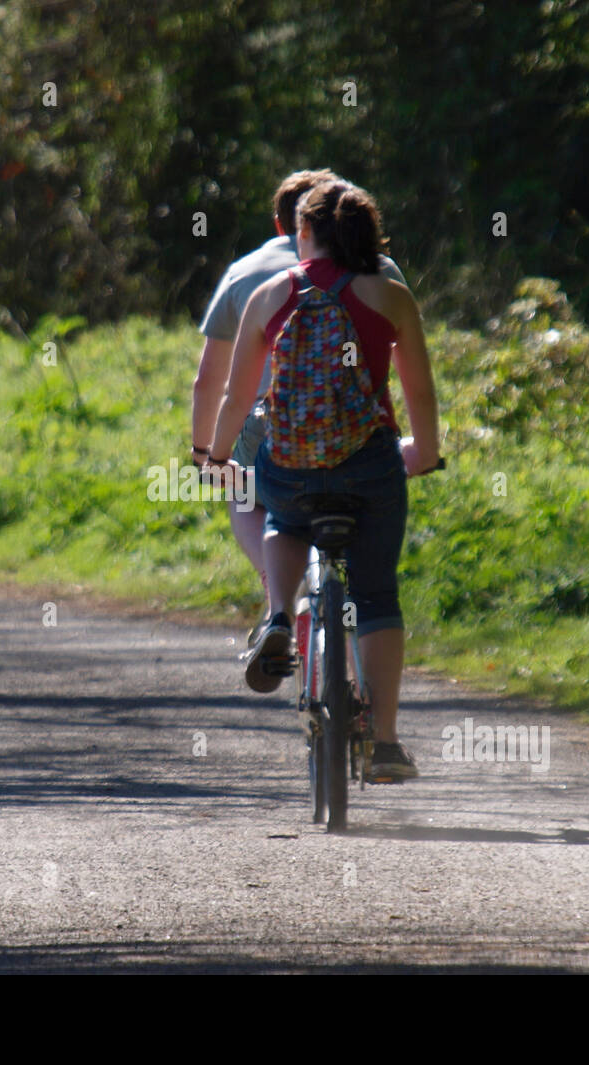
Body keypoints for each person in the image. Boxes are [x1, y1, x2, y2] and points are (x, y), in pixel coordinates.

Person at [204, 180, 441, 782]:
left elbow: (236, 395)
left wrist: (217, 457)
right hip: (369, 462)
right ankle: (384, 742)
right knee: (377, 595)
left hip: (290, 462)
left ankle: (280, 614)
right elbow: (418, 391)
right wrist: (428, 452)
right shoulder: (390, 296)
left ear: (301, 233)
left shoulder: (269, 294)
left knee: (282, 514)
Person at [190, 170, 408, 648]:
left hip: (273, 434)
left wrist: (206, 454)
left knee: (250, 492)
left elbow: (213, 382)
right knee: (374, 590)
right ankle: (368, 706)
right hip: (361, 439)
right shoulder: (382, 272)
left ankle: (279, 602)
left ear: (284, 224)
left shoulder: (247, 274)